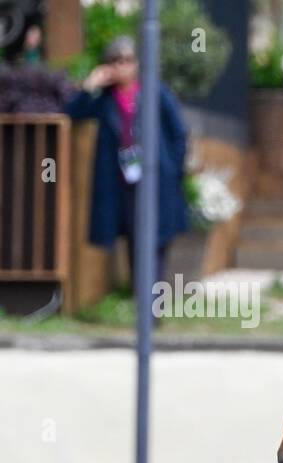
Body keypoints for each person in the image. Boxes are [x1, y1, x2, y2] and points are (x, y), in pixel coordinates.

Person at [64, 36, 189, 314]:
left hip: (157, 183)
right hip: (125, 185)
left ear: (136, 64)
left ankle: (153, 310)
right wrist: (90, 86)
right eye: (115, 61)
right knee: (135, 242)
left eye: (127, 60)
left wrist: (173, 169)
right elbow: (73, 114)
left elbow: (179, 133)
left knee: (156, 242)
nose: (121, 67)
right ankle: (143, 305)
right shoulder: (105, 100)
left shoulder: (155, 92)